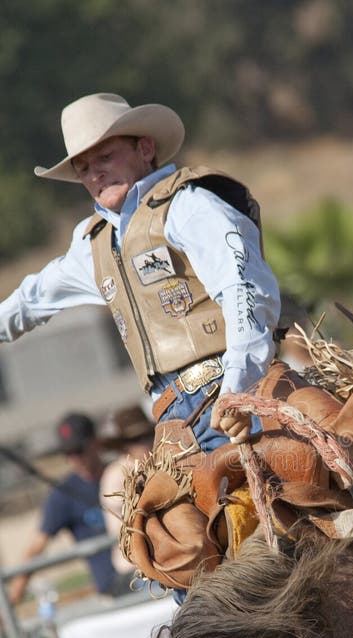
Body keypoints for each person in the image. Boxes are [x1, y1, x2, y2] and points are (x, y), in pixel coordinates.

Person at [0, 92, 280, 455]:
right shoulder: (93, 244)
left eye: (105, 156)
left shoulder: (188, 206)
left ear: (145, 149)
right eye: (83, 168)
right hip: (170, 422)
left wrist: (237, 389)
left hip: (232, 395)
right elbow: (30, 300)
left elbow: (246, 290)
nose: (95, 173)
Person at [9, 412, 129, 605]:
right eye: (68, 453)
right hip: (114, 589)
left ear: (95, 442)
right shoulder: (63, 495)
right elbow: (36, 548)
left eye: (79, 450)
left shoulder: (123, 473)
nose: (74, 459)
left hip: (148, 574)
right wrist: (11, 602)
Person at [97, 404, 154, 576]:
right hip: (135, 568)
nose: (144, 443)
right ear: (124, 445)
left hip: (163, 559)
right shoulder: (117, 474)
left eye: (147, 435)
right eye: (135, 440)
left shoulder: (158, 464)